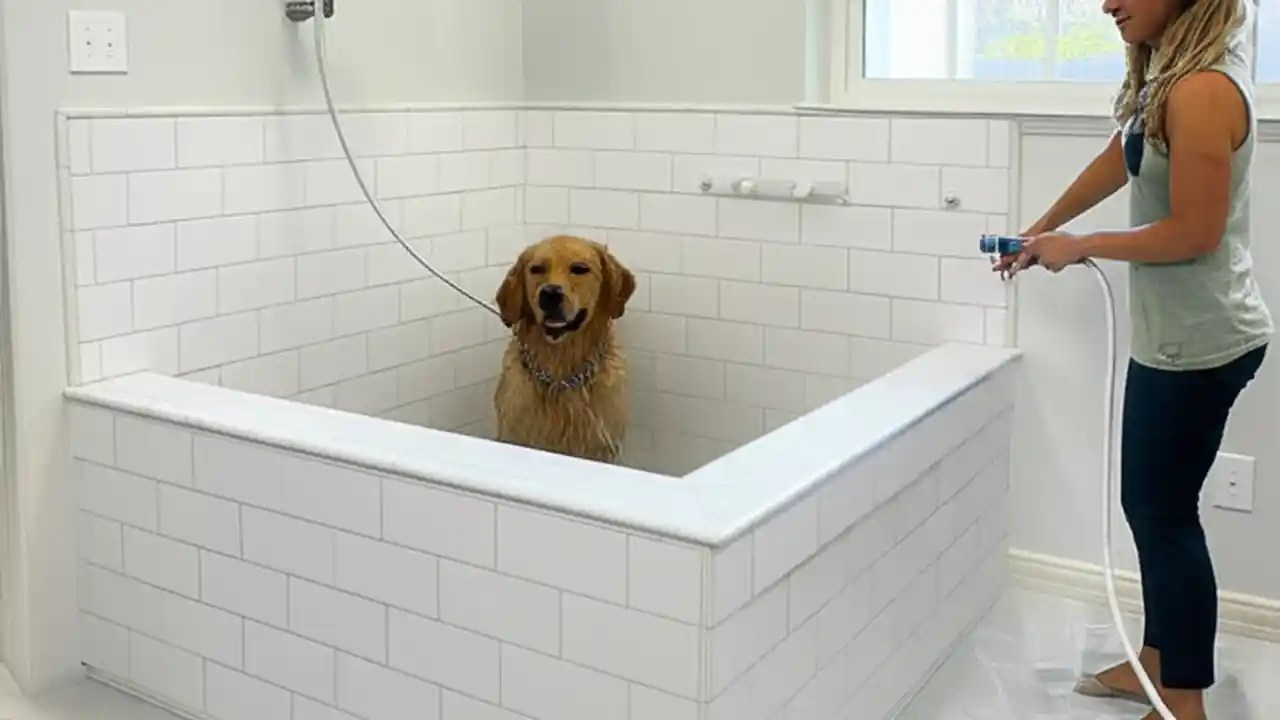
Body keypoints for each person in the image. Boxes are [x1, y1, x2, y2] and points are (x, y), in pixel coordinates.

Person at [998, 0, 1272, 718]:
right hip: (1177, 336)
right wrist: (1043, 229)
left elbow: (1196, 232)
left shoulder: (1202, 90)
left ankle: (1181, 699)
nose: (1107, 2)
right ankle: (1156, 659)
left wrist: (1081, 246)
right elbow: (1122, 156)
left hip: (1201, 341)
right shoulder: (1168, 75)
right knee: (1151, 506)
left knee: (1164, 514)